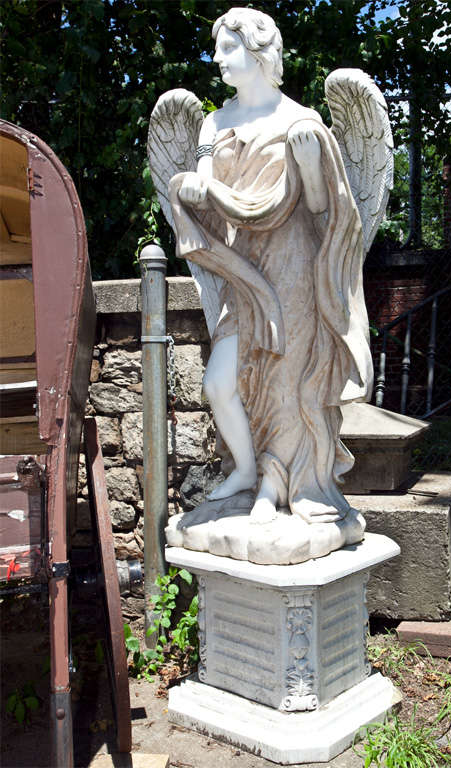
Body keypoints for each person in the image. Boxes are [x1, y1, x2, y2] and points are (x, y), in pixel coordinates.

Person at [169, 7, 373, 526]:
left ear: (259, 52)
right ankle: (245, 469)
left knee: (285, 383)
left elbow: (325, 208)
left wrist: (307, 165)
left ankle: (277, 482)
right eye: (217, 48)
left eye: (229, 48)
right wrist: (191, 188)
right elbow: (207, 187)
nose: (218, 59)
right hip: (243, 268)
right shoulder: (214, 123)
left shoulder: (300, 122)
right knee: (220, 383)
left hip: (293, 266)